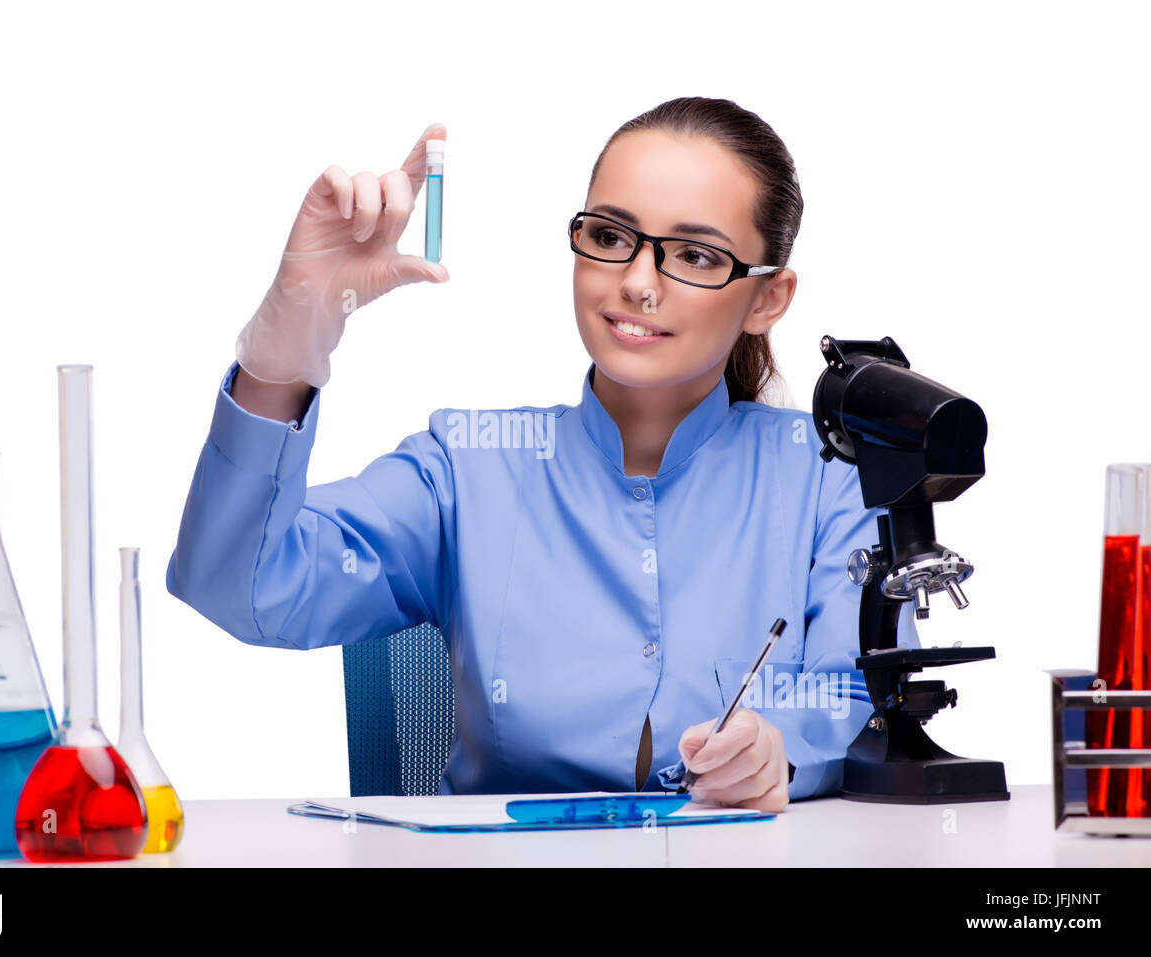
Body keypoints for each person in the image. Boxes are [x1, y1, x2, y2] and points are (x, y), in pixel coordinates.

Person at [166, 97, 919, 813]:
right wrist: (283, 350)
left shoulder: (829, 480)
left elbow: (868, 699)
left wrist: (782, 751)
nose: (636, 283)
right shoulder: (467, 470)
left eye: (694, 254)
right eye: (610, 236)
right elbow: (241, 585)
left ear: (767, 299)